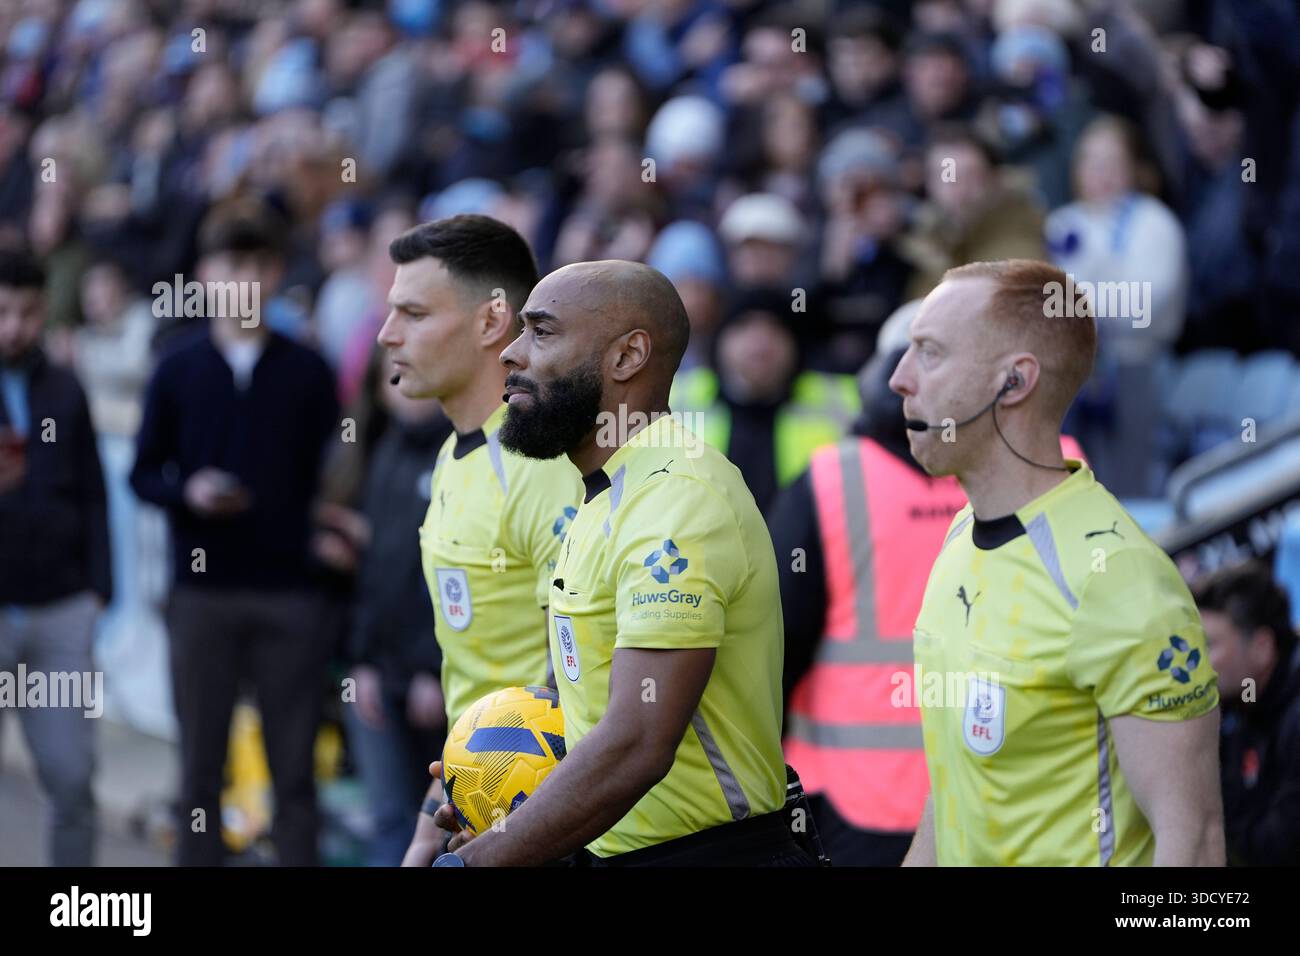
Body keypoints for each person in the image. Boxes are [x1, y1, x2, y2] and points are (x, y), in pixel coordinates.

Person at [429, 259, 807, 866]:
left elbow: (637, 743)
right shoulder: (605, 492)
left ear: (628, 357)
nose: (511, 353)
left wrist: (478, 862)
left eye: (542, 332)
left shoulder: (677, 499)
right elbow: (591, 714)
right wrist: (501, 795)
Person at [892, 259, 1223, 866]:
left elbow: (1195, 846)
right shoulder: (963, 532)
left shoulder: (1117, 577)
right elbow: (956, 790)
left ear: (1013, 383)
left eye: (929, 353)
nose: (899, 379)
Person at [130, 201, 340, 866]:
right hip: (202, 590)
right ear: (203, 274)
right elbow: (141, 473)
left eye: (256, 263)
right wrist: (186, 492)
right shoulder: (177, 367)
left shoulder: (308, 370)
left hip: (290, 591)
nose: (243, 278)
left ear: (276, 272)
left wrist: (327, 526)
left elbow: (331, 474)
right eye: (230, 264)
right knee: (199, 766)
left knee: (294, 771)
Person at [376, 215, 582, 867]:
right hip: (473, 807)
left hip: (536, 822)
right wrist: (431, 818)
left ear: (492, 322)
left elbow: (580, 669)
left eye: (413, 313)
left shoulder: (541, 464)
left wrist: (505, 833)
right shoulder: (452, 456)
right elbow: (475, 674)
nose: (387, 335)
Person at [0, 248, 110, 866]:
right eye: (2, 311)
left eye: (25, 311)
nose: (13, 326)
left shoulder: (65, 388)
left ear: (43, 310)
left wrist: (99, 591)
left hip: (60, 608)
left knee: (71, 777)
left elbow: (95, 492)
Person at [344, 366, 454, 868]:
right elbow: (373, 575)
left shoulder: (459, 457)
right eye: (385, 378)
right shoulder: (386, 449)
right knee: (391, 820)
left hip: (438, 685)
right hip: (378, 676)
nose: (399, 387)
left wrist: (430, 669)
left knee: (443, 826)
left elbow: (453, 583)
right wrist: (362, 662)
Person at [1194, 561, 1300, 866]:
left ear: (1262, 647)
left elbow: (1275, 848)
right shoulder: (1243, 704)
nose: (1195, 662)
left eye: (1208, 645)